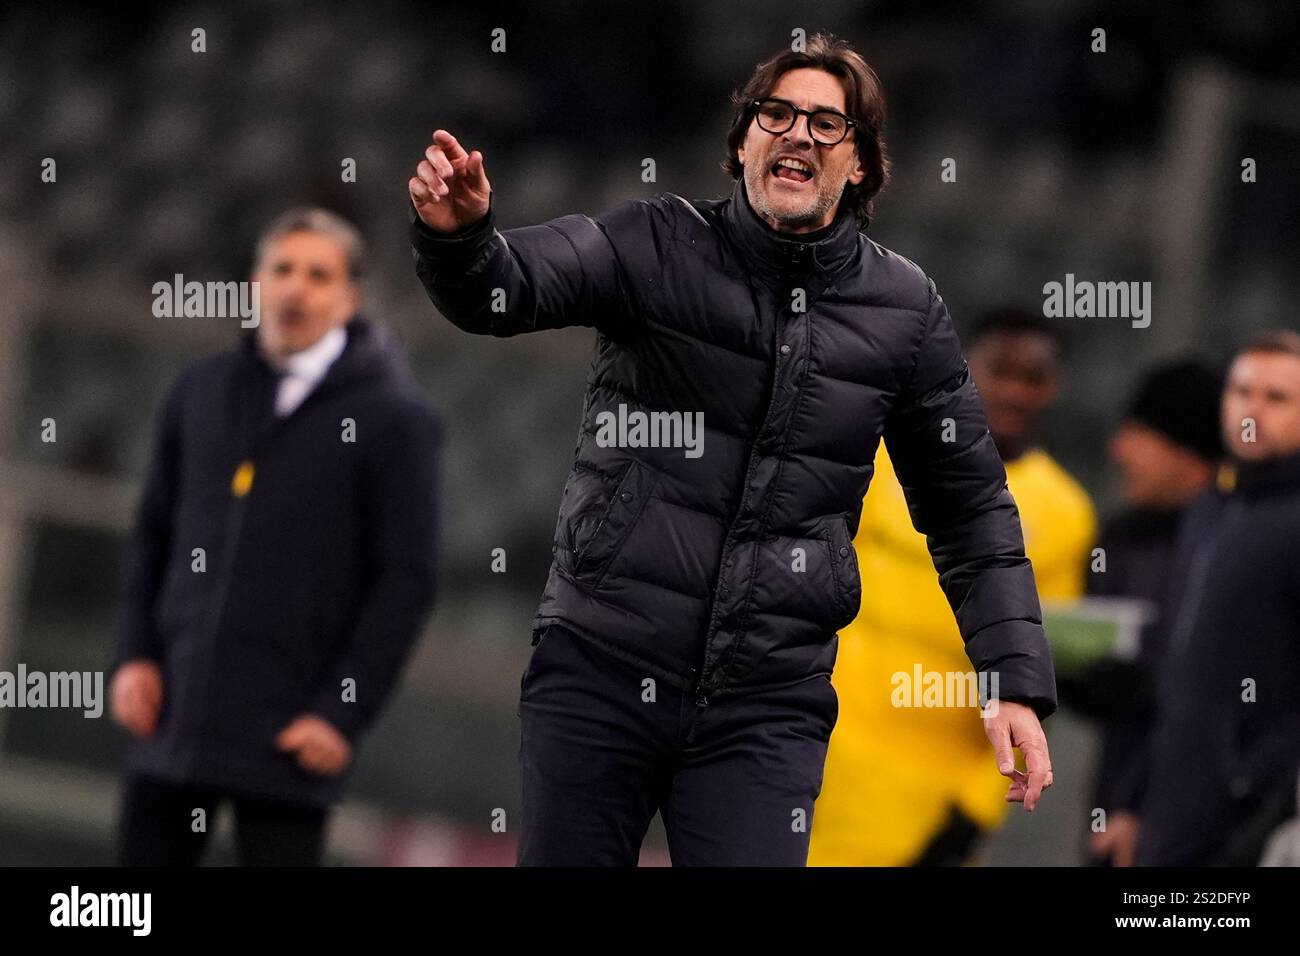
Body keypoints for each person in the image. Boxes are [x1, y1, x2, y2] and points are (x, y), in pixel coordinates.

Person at [409, 33, 1055, 866]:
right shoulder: (651, 243)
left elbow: (969, 508)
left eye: (828, 124)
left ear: (860, 164)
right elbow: (507, 288)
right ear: (742, 142)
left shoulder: (905, 310)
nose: (797, 134)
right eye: (776, 114)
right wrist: (461, 240)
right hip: (602, 667)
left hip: (766, 706)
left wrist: (1011, 679)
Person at [109, 208, 441, 866]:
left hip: (292, 741)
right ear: (255, 283)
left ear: (349, 298)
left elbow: (405, 580)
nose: (296, 288)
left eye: (319, 275)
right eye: (281, 269)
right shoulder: (200, 391)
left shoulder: (394, 421)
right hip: (173, 725)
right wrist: (135, 655)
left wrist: (341, 714)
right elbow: (153, 533)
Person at [810, 309, 1094, 866]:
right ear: (965, 367)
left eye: (1032, 377)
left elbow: (1034, 673)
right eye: (1001, 369)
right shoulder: (879, 454)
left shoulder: (1065, 512)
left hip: (934, 794)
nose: (1014, 389)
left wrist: (976, 809)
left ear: (1053, 389)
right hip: (825, 756)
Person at [1134, 331, 1300, 865]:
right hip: (1172, 810)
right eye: (1241, 391)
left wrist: (1255, 780)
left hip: (1257, 821)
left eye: (1276, 398)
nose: (1252, 408)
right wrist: (1134, 801)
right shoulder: (1210, 509)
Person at [1061, 359, 1223, 867]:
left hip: (1205, 824)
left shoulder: (1238, 547)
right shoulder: (1119, 539)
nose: (1119, 448)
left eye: (1138, 431)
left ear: (1184, 450)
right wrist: (1079, 680)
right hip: (1112, 815)